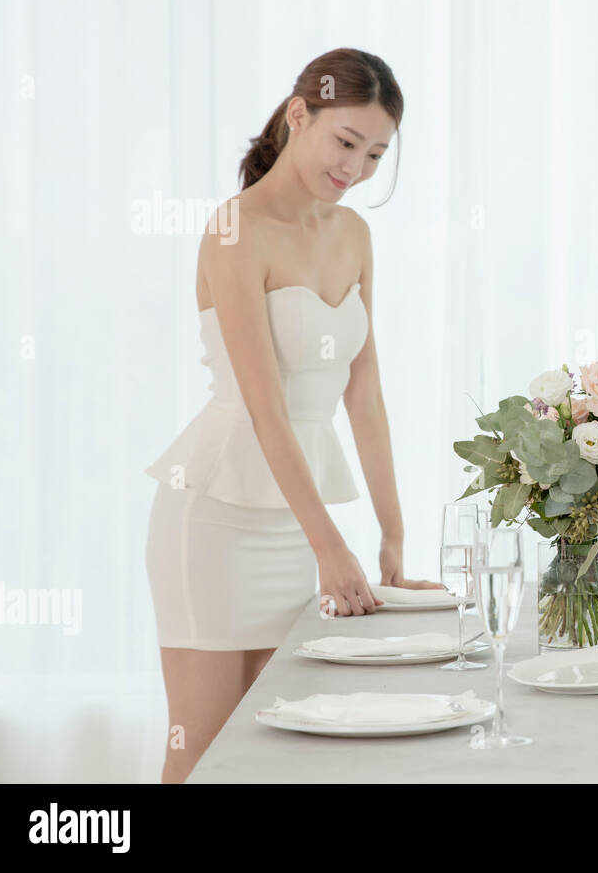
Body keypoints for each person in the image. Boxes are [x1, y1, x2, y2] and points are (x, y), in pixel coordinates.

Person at [143, 48, 443, 783]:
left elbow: (364, 394)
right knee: (203, 752)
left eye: (376, 154)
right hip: (215, 517)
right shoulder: (234, 229)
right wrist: (331, 548)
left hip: (301, 519)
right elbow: (264, 408)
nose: (357, 170)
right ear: (298, 114)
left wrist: (393, 537)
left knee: (281, 756)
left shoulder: (355, 237)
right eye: (346, 143)